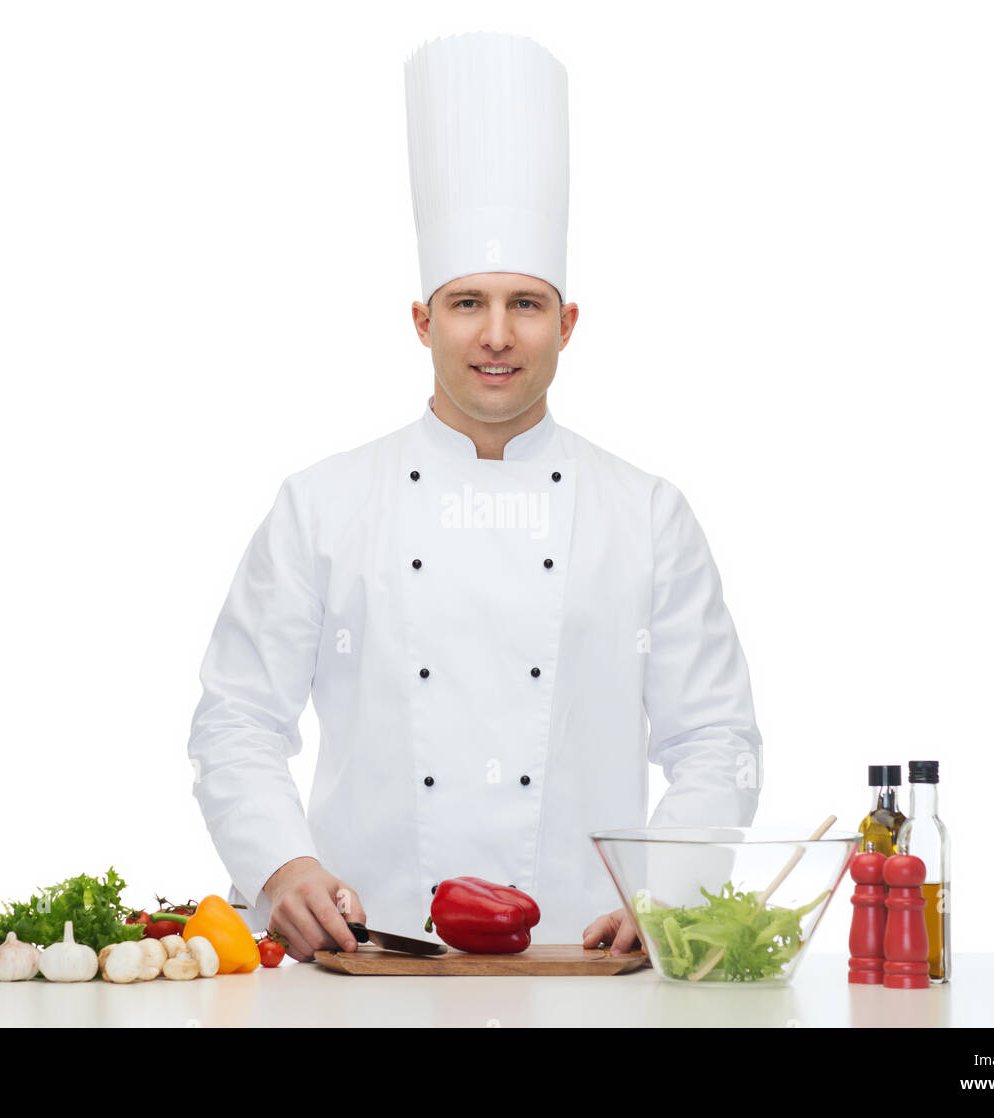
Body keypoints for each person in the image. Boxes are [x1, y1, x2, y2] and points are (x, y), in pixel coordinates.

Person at [187, 31, 762, 962]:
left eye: (526, 305)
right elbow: (238, 719)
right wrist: (282, 867)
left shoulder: (646, 514)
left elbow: (715, 739)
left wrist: (670, 895)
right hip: (366, 960)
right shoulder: (322, 507)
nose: (496, 336)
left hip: (585, 970)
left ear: (568, 324)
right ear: (422, 320)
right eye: (467, 304)